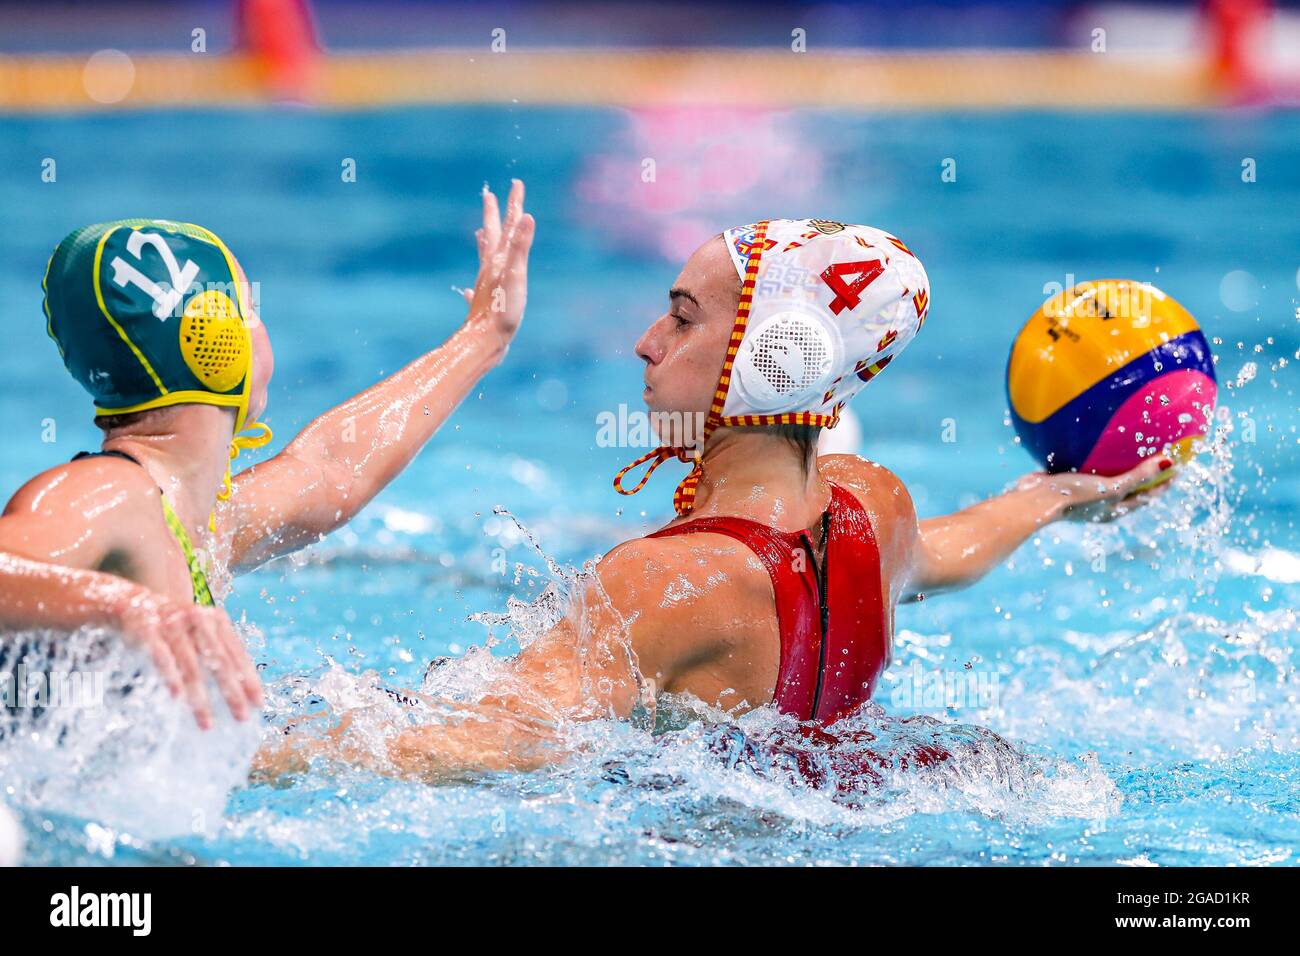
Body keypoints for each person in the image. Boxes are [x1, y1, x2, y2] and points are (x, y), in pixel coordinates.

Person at [257, 217, 1172, 783]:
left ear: (778, 360)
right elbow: (958, 547)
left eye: (685, 317)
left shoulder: (663, 578)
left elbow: (488, 741)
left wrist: (257, 754)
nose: (648, 342)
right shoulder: (871, 507)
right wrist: (1058, 495)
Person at [0, 182, 535, 730]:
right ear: (212, 341)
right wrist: (126, 607)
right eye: (249, 309)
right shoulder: (106, 494)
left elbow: (331, 472)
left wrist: (482, 338)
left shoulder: (189, 515)